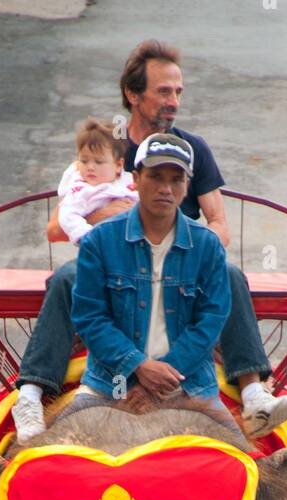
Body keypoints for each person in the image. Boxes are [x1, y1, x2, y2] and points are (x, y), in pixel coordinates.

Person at [12, 38, 287, 443]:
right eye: (164, 91)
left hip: (185, 265)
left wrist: (195, 252)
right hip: (114, 261)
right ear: (133, 94)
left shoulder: (193, 148)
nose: (174, 101)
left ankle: (253, 391)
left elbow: (219, 225)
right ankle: (32, 390)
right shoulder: (105, 146)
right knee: (67, 277)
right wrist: (116, 219)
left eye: (178, 92)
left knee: (229, 276)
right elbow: (58, 225)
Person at [71, 133, 230, 407]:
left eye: (176, 179)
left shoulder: (208, 246)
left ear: (187, 185)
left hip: (187, 383)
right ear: (135, 179)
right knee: (57, 449)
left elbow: (211, 320)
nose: (166, 188)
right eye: (156, 177)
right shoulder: (99, 241)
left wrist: (162, 376)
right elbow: (90, 317)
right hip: (113, 383)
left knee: (239, 450)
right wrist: (140, 367)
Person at [58, 117, 138, 246]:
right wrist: (89, 237)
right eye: (84, 161)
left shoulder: (129, 180)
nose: (90, 167)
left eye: (99, 162)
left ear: (118, 165)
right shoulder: (81, 190)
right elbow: (67, 216)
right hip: (101, 247)